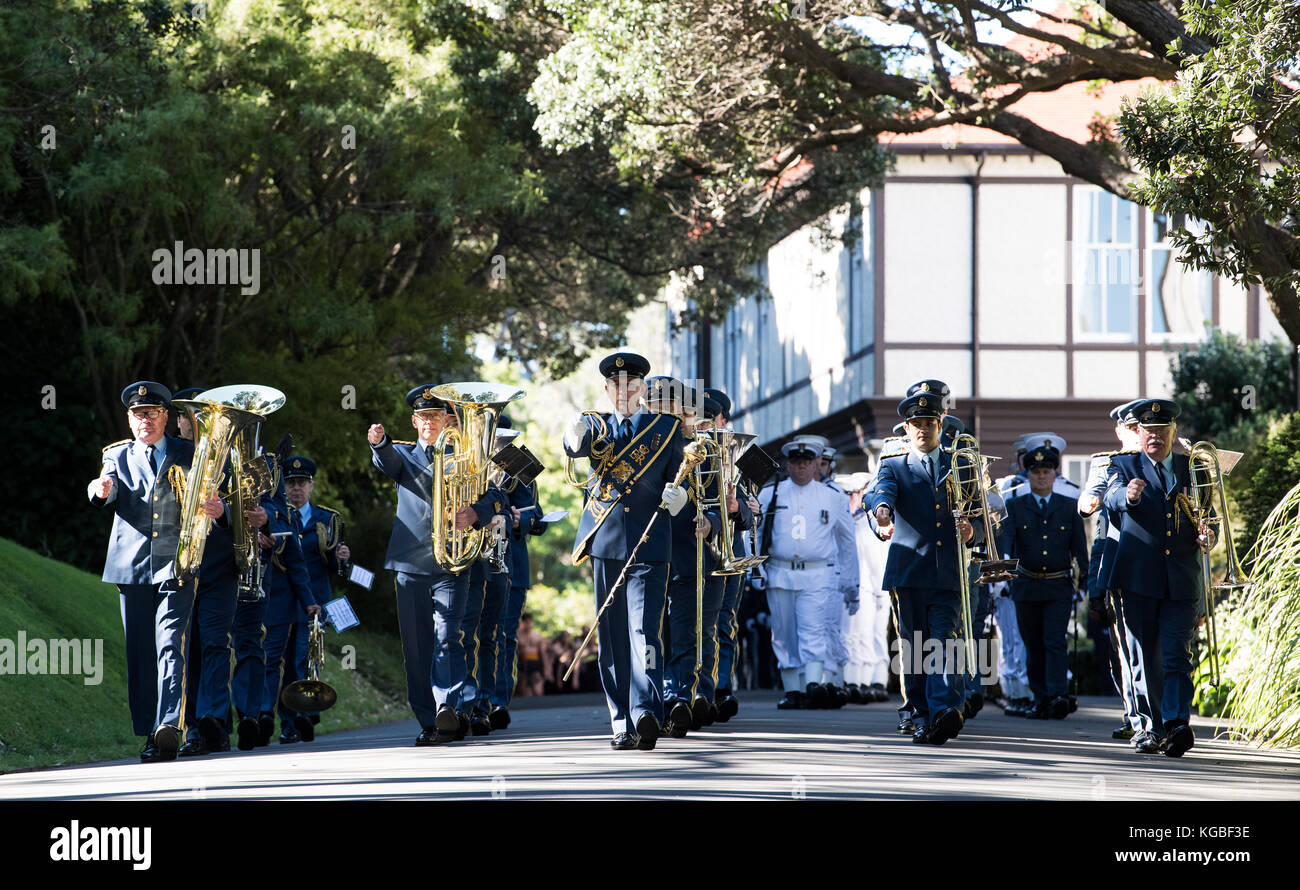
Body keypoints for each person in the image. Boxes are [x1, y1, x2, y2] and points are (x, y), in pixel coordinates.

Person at [88, 381, 224, 762]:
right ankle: (150, 730)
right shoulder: (117, 455)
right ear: (129, 420)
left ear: (166, 416)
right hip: (131, 566)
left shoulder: (191, 452)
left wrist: (220, 512)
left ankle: (168, 726)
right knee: (140, 651)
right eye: (137, 415)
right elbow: (105, 487)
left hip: (177, 563)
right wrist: (99, 491)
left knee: (171, 645)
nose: (144, 421)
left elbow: (217, 499)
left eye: (151, 414)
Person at [563, 352, 686, 750]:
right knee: (614, 635)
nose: (623, 393)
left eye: (631, 386)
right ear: (607, 389)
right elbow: (574, 448)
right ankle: (620, 720)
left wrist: (678, 496)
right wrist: (572, 430)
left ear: (642, 389)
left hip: (651, 544)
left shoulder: (666, 429)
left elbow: (682, 479)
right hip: (608, 542)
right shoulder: (595, 426)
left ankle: (646, 709)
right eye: (616, 386)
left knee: (645, 631)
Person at [368, 385, 497, 745]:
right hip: (411, 564)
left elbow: (495, 494)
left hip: (452, 563)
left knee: (448, 637)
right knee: (416, 646)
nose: (429, 423)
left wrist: (476, 512)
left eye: (436, 416)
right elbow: (386, 462)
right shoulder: (403, 455)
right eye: (423, 417)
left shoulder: (467, 456)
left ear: (447, 419)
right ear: (414, 422)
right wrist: (378, 443)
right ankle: (429, 720)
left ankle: (448, 710)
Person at [868, 382, 979, 746]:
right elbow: (881, 492)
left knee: (945, 642)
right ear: (906, 428)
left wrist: (971, 532)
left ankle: (944, 709)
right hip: (909, 571)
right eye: (915, 423)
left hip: (948, 572)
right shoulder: (894, 466)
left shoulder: (960, 464)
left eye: (929, 422)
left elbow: (982, 515)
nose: (922, 429)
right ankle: (920, 713)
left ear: (940, 423)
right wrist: (882, 511)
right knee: (914, 646)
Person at [1103, 398, 1214, 757]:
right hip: (1137, 578)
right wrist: (1128, 496)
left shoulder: (1194, 468)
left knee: (1176, 655)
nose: (1155, 436)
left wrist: (1208, 536)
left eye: (1162, 430)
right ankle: (1149, 728)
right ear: (1138, 433)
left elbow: (1208, 518)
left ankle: (1177, 724)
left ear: (1173, 432)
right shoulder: (1123, 464)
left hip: (1181, 577)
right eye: (1148, 430)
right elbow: (1111, 497)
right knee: (1143, 657)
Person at [757, 439, 859, 710]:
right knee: (783, 632)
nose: (801, 468)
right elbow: (754, 533)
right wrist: (755, 568)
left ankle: (812, 684)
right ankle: (793, 690)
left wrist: (850, 581)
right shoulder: (771, 494)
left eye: (806, 462)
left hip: (817, 574)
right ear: (787, 464)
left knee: (812, 630)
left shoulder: (833, 498)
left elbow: (847, 543)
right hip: (779, 571)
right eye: (795, 463)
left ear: (816, 463)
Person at [649, 377, 724, 735]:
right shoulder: (637, 447)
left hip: (686, 554)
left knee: (685, 634)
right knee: (649, 636)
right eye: (654, 404)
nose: (660, 410)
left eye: (668, 404)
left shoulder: (701, 449)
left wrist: (707, 522)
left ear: (683, 411)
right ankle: (648, 702)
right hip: (646, 555)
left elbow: (718, 504)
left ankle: (679, 698)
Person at [171, 387, 239, 757]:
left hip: (219, 566)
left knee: (215, 642)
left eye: (200, 416)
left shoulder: (227, 460)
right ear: (178, 419)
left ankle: (213, 721)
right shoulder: (169, 455)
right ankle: (193, 728)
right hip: (181, 566)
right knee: (187, 648)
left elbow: (243, 511)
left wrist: (225, 513)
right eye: (186, 415)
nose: (192, 422)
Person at [998, 445, 1088, 720]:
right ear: (1028, 475)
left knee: (1055, 641)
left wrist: (1086, 583)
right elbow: (1007, 547)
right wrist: (1005, 580)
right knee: (1033, 644)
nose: (1041, 477)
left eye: (1046, 472)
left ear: (1054, 474)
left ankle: (1058, 695)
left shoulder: (1068, 506)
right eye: (1036, 472)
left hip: (1058, 585)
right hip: (1026, 585)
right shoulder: (1013, 506)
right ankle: (1040, 697)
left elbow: (1079, 549)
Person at [1079, 400, 1142, 739]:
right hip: (1118, 567)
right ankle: (1135, 715)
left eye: (1140, 428)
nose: (1136, 434)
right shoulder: (1108, 465)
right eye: (1130, 428)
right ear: (1118, 431)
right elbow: (1099, 537)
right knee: (1125, 650)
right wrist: (1095, 588)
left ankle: (1154, 717)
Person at [283, 456, 349, 737]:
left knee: (308, 657)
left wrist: (342, 558)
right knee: (283, 661)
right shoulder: (277, 515)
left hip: (316, 600)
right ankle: (288, 723)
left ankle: (305, 715)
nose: (296, 489)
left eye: (301, 483)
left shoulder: (327, 518)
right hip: (286, 597)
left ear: (311, 485)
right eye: (290, 483)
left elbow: (337, 568)